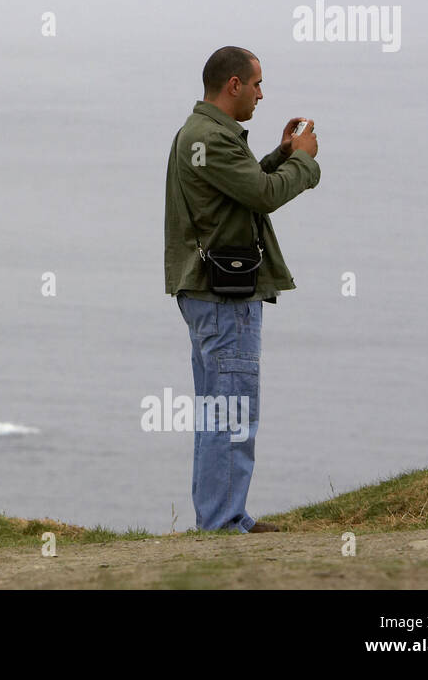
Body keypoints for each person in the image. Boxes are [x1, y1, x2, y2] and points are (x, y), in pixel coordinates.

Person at [163, 47, 320, 533]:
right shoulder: (210, 138)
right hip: (224, 297)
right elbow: (263, 194)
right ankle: (224, 523)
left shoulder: (204, 136)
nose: (261, 93)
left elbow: (244, 186)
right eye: (256, 84)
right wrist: (306, 165)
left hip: (208, 295)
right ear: (233, 84)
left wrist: (280, 155)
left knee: (219, 411)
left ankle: (222, 517)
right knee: (232, 412)